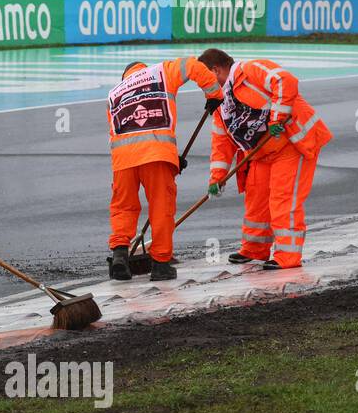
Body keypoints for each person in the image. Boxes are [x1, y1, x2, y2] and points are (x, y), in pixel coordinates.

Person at [199, 48, 332, 269]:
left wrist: (276, 118)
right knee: (256, 201)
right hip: (260, 154)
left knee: (283, 201)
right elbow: (221, 143)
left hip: (291, 145)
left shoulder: (250, 70)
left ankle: (287, 256)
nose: (202, 87)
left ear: (215, 70)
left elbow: (285, 80)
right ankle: (254, 249)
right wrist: (217, 178)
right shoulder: (222, 103)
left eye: (203, 80)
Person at [107, 57, 224, 281]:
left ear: (125, 77)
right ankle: (160, 264)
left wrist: (170, 158)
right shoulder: (161, 71)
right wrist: (214, 94)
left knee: (123, 206)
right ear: (143, 69)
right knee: (161, 206)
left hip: (122, 160)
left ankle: (120, 255)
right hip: (156, 155)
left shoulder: (114, 93)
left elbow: (119, 133)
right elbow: (194, 66)